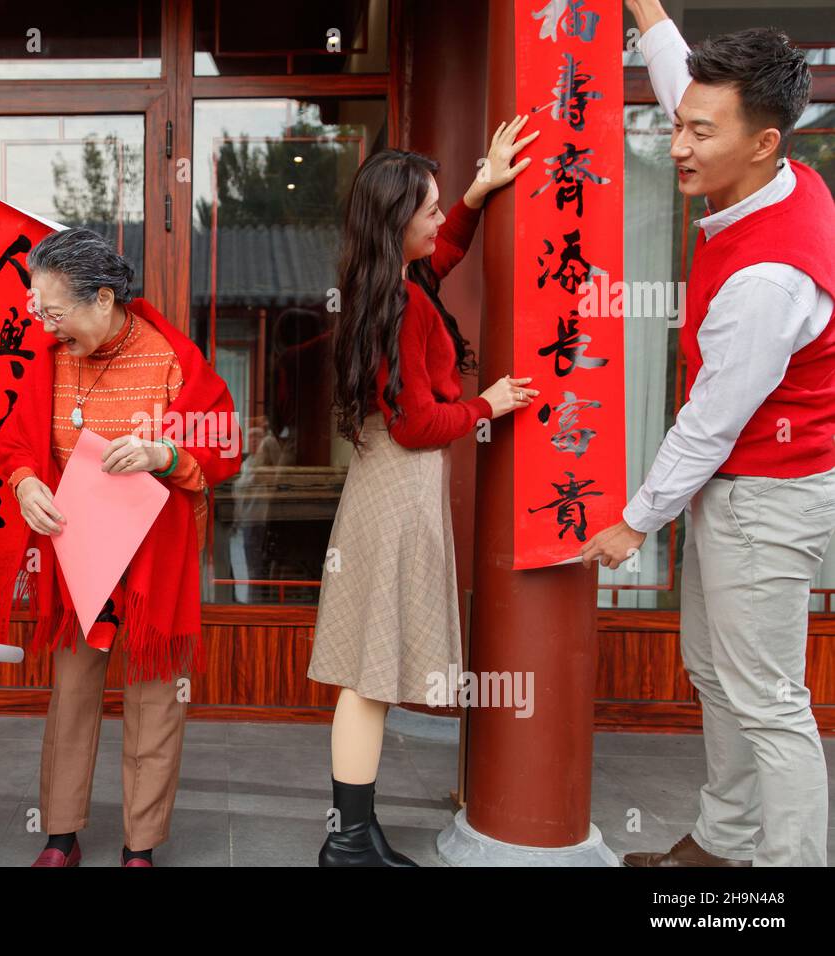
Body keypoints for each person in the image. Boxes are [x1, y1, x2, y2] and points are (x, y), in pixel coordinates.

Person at [584, 2, 835, 868]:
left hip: (769, 496)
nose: (678, 145)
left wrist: (636, 521)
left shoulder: (769, 279)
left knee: (767, 699)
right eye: (678, 124)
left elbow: (709, 423)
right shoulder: (768, 168)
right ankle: (722, 849)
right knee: (719, 680)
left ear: (763, 142)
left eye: (699, 132)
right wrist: (646, 10)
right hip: (740, 491)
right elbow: (676, 71)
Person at [309, 118, 540, 866]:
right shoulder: (399, 305)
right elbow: (415, 426)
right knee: (370, 678)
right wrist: (489, 405)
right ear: (396, 221)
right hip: (399, 490)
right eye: (431, 207)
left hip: (387, 489)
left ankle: (354, 831)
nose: (441, 219)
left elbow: (444, 253)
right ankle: (348, 842)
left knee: (367, 676)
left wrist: (478, 189)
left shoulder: (387, 283)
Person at [0, 228, 240, 867]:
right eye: (37, 308)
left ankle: (141, 846)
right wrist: (24, 485)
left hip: (155, 557)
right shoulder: (50, 354)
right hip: (80, 553)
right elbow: (17, 443)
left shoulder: (169, 356)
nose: (41, 321)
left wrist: (166, 454)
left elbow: (223, 446)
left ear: (104, 298)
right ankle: (60, 835)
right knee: (72, 692)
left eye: (53, 309)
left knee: (156, 699)